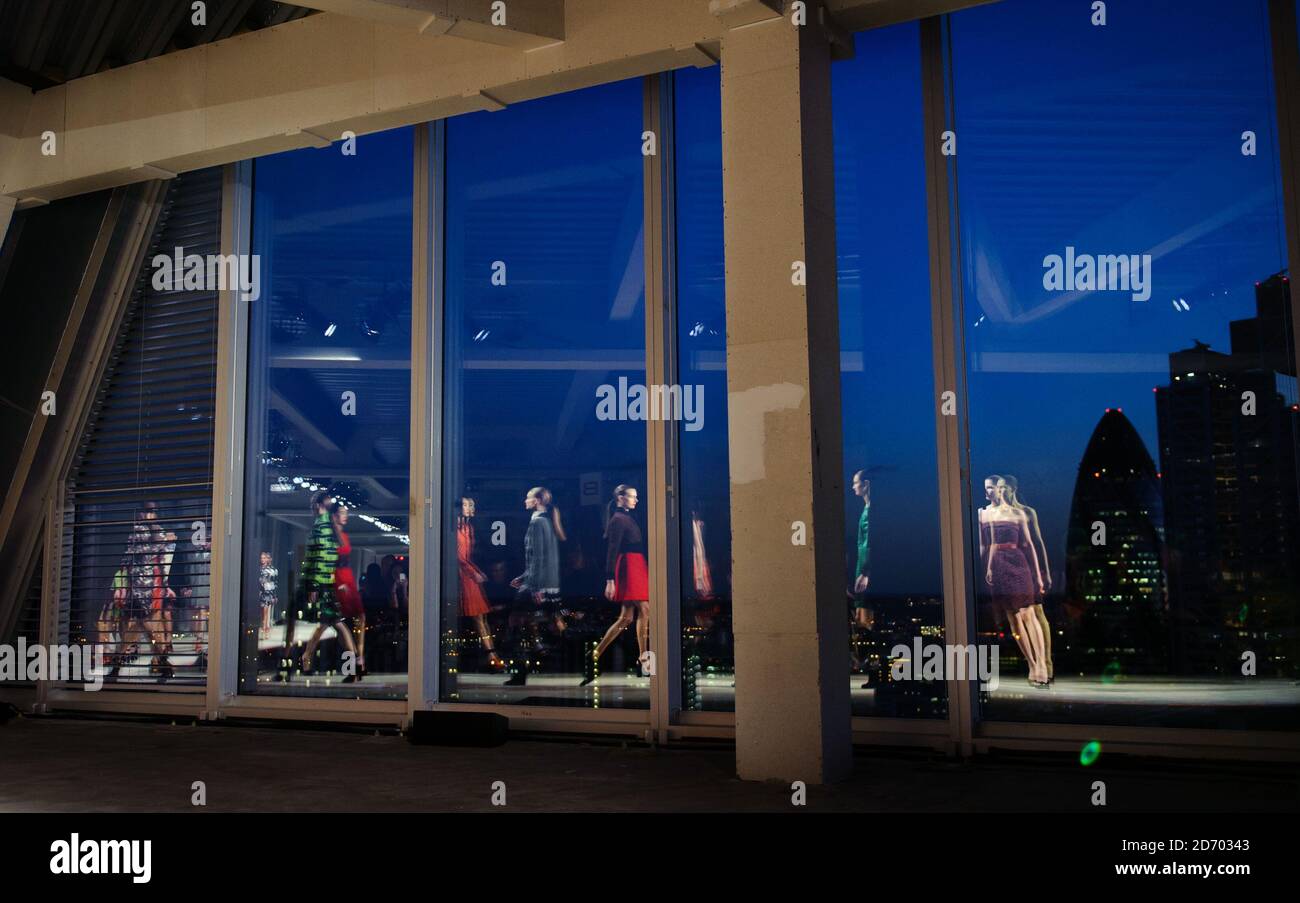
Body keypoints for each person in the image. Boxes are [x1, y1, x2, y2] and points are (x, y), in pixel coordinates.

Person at [979, 476, 1048, 687]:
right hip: (999, 567)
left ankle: (1042, 665)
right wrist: (988, 568)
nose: (993, 491)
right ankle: (1032, 664)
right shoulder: (985, 514)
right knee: (1014, 619)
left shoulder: (1019, 514)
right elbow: (987, 545)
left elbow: (1029, 545)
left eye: (997, 488)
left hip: (1018, 563)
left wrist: (1038, 575)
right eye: (990, 488)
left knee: (1028, 614)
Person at [582, 485, 649, 686]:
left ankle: (594, 653)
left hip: (636, 563)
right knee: (645, 609)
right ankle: (644, 659)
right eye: (632, 496)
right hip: (629, 565)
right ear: (620, 498)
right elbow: (612, 550)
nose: (636, 500)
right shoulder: (618, 520)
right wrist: (610, 579)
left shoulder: (625, 517)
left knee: (627, 617)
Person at [111, 502, 177, 681]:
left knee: (147, 628)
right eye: (147, 511)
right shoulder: (139, 530)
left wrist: (165, 585)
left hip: (152, 586)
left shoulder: (158, 530)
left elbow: (163, 561)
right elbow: (138, 554)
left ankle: (161, 664)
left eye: (152, 511)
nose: (149, 514)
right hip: (140, 585)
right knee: (142, 627)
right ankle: (162, 663)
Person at [506, 486, 561, 687]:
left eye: (528, 497)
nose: (525, 501)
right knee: (526, 624)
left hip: (535, 585)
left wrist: (535, 585)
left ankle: (521, 671)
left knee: (516, 627)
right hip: (541, 583)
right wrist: (524, 576)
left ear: (537, 500)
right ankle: (538, 651)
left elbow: (538, 557)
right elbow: (543, 558)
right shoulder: (547, 522)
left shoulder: (537, 523)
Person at [302, 501, 362, 682]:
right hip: (332, 583)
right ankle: (352, 668)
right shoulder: (329, 534)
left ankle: (307, 657)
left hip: (341, 582)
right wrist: (316, 585)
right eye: (342, 513)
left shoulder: (340, 535)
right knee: (337, 625)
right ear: (334, 515)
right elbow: (320, 559)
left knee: (332, 625)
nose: (346, 516)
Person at [1003, 475, 1054, 684]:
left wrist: (1045, 571)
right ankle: (1032, 663)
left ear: (1012, 489)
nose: (1001, 492)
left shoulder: (1026, 512)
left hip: (1027, 567)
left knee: (1036, 612)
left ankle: (1045, 662)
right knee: (1013, 616)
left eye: (1004, 488)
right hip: (1006, 570)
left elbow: (1038, 542)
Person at [277, 490, 332, 681]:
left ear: (318, 505)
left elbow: (319, 557)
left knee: (299, 620)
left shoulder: (322, 527)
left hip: (313, 582)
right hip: (317, 581)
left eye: (312, 505)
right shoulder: (324, 526)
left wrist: (314, 585)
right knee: (325, 622)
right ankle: (298, 661)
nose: (311, 509)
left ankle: (289, 663)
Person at [458, 497, 504, 671]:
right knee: (477, 617)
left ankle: (492, 654)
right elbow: (459, 558)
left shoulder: (468, 527)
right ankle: (491, 654)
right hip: (463, 576)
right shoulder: (456, 529)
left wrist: (476, 571)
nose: (471, 507)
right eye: (466, 505)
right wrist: (475, 572)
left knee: (481, 617)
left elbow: (466, 557)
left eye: (472, 504)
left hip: (469, 574)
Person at [259, 552, 278, 638]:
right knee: (264, 611)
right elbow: (260, 581)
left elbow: (275, 582)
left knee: (267, 611)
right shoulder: (260, 569)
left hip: (269, 592)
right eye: (262, 558)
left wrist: (275, 595)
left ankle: (266, 629)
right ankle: (264, 628)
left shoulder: (273, 570)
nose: (264, 559)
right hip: (262, 591)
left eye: (265, 558)